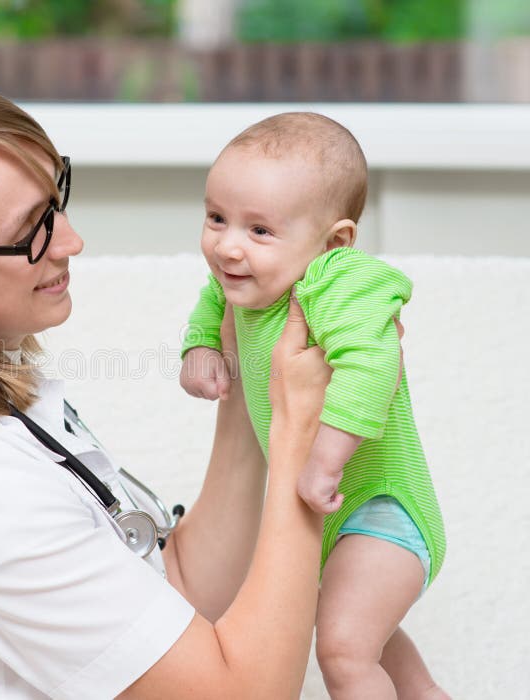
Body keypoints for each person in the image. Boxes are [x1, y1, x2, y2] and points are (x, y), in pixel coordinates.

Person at [0, 83, 334, 699]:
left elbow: (175, 588)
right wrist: (302, 443)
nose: (71, 242)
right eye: (32, 232)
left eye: (57, 201)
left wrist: (250, 380)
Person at [180, 112, 449, 699]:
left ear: (335, 241)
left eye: (260, 230)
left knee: (342, 650)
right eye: (216, 217)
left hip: (381, 509)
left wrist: (324, 460)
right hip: (327, 513)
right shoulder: (239, 280)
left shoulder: (340, 281)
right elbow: (210, 312)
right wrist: (200, 349)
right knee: (361, 638)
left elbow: (371, 366)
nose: (227, 246)